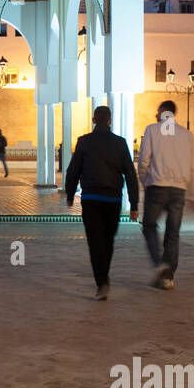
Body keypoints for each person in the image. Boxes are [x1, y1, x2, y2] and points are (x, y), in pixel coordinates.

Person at [64, 105, 139, 301]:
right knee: (107, 241)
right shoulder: (120, 143)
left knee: (95, 242)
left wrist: (70, 194)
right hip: (112, 200)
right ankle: (104, 277)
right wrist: (134, 204)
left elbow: (73, 171)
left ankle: (102, 282)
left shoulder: (84, 142)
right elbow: (130, 175)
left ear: (94, 120)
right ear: (110, 120)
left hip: (90, 200)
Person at [138, 100, 194, 290]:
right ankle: (168, 278)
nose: (156, 115)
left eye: (157, 112)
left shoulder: (152, 130)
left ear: (163, 112)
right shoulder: (187, 135)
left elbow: (143, 160)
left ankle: (160, 264)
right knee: (173, 234)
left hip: (157, 186)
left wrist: (144, 181)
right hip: (179, 190)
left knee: (149, 225)